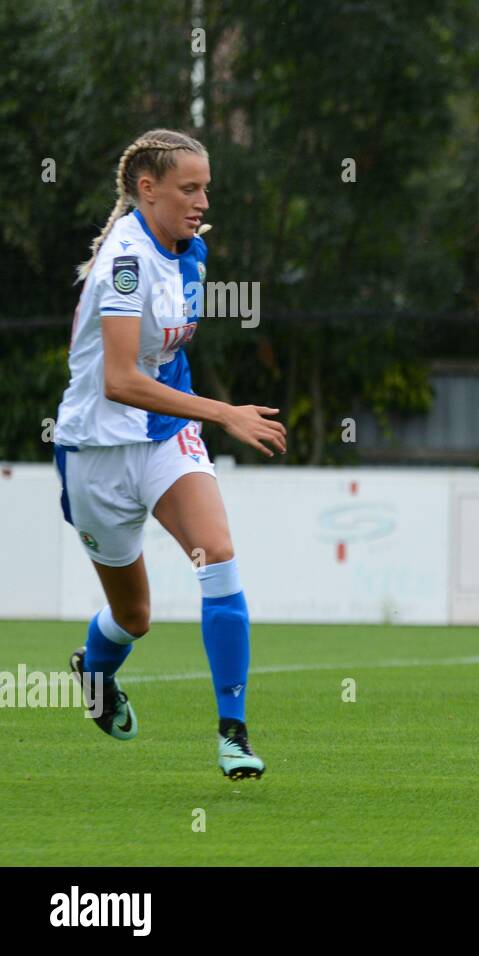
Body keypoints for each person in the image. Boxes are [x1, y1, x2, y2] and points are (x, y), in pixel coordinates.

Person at [55, 129, 286, 779]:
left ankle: (233, 732)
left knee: (218, 556)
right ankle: (95, 671)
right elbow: (119, 380)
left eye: (206, 188)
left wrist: (195, 417)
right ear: (147, 188)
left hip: (164, 437)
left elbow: (163, 359)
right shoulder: (125, 262)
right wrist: (225, 412)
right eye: (190, 189)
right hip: (96, 452)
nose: (202, 201)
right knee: (135, 617)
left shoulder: (193, 251)